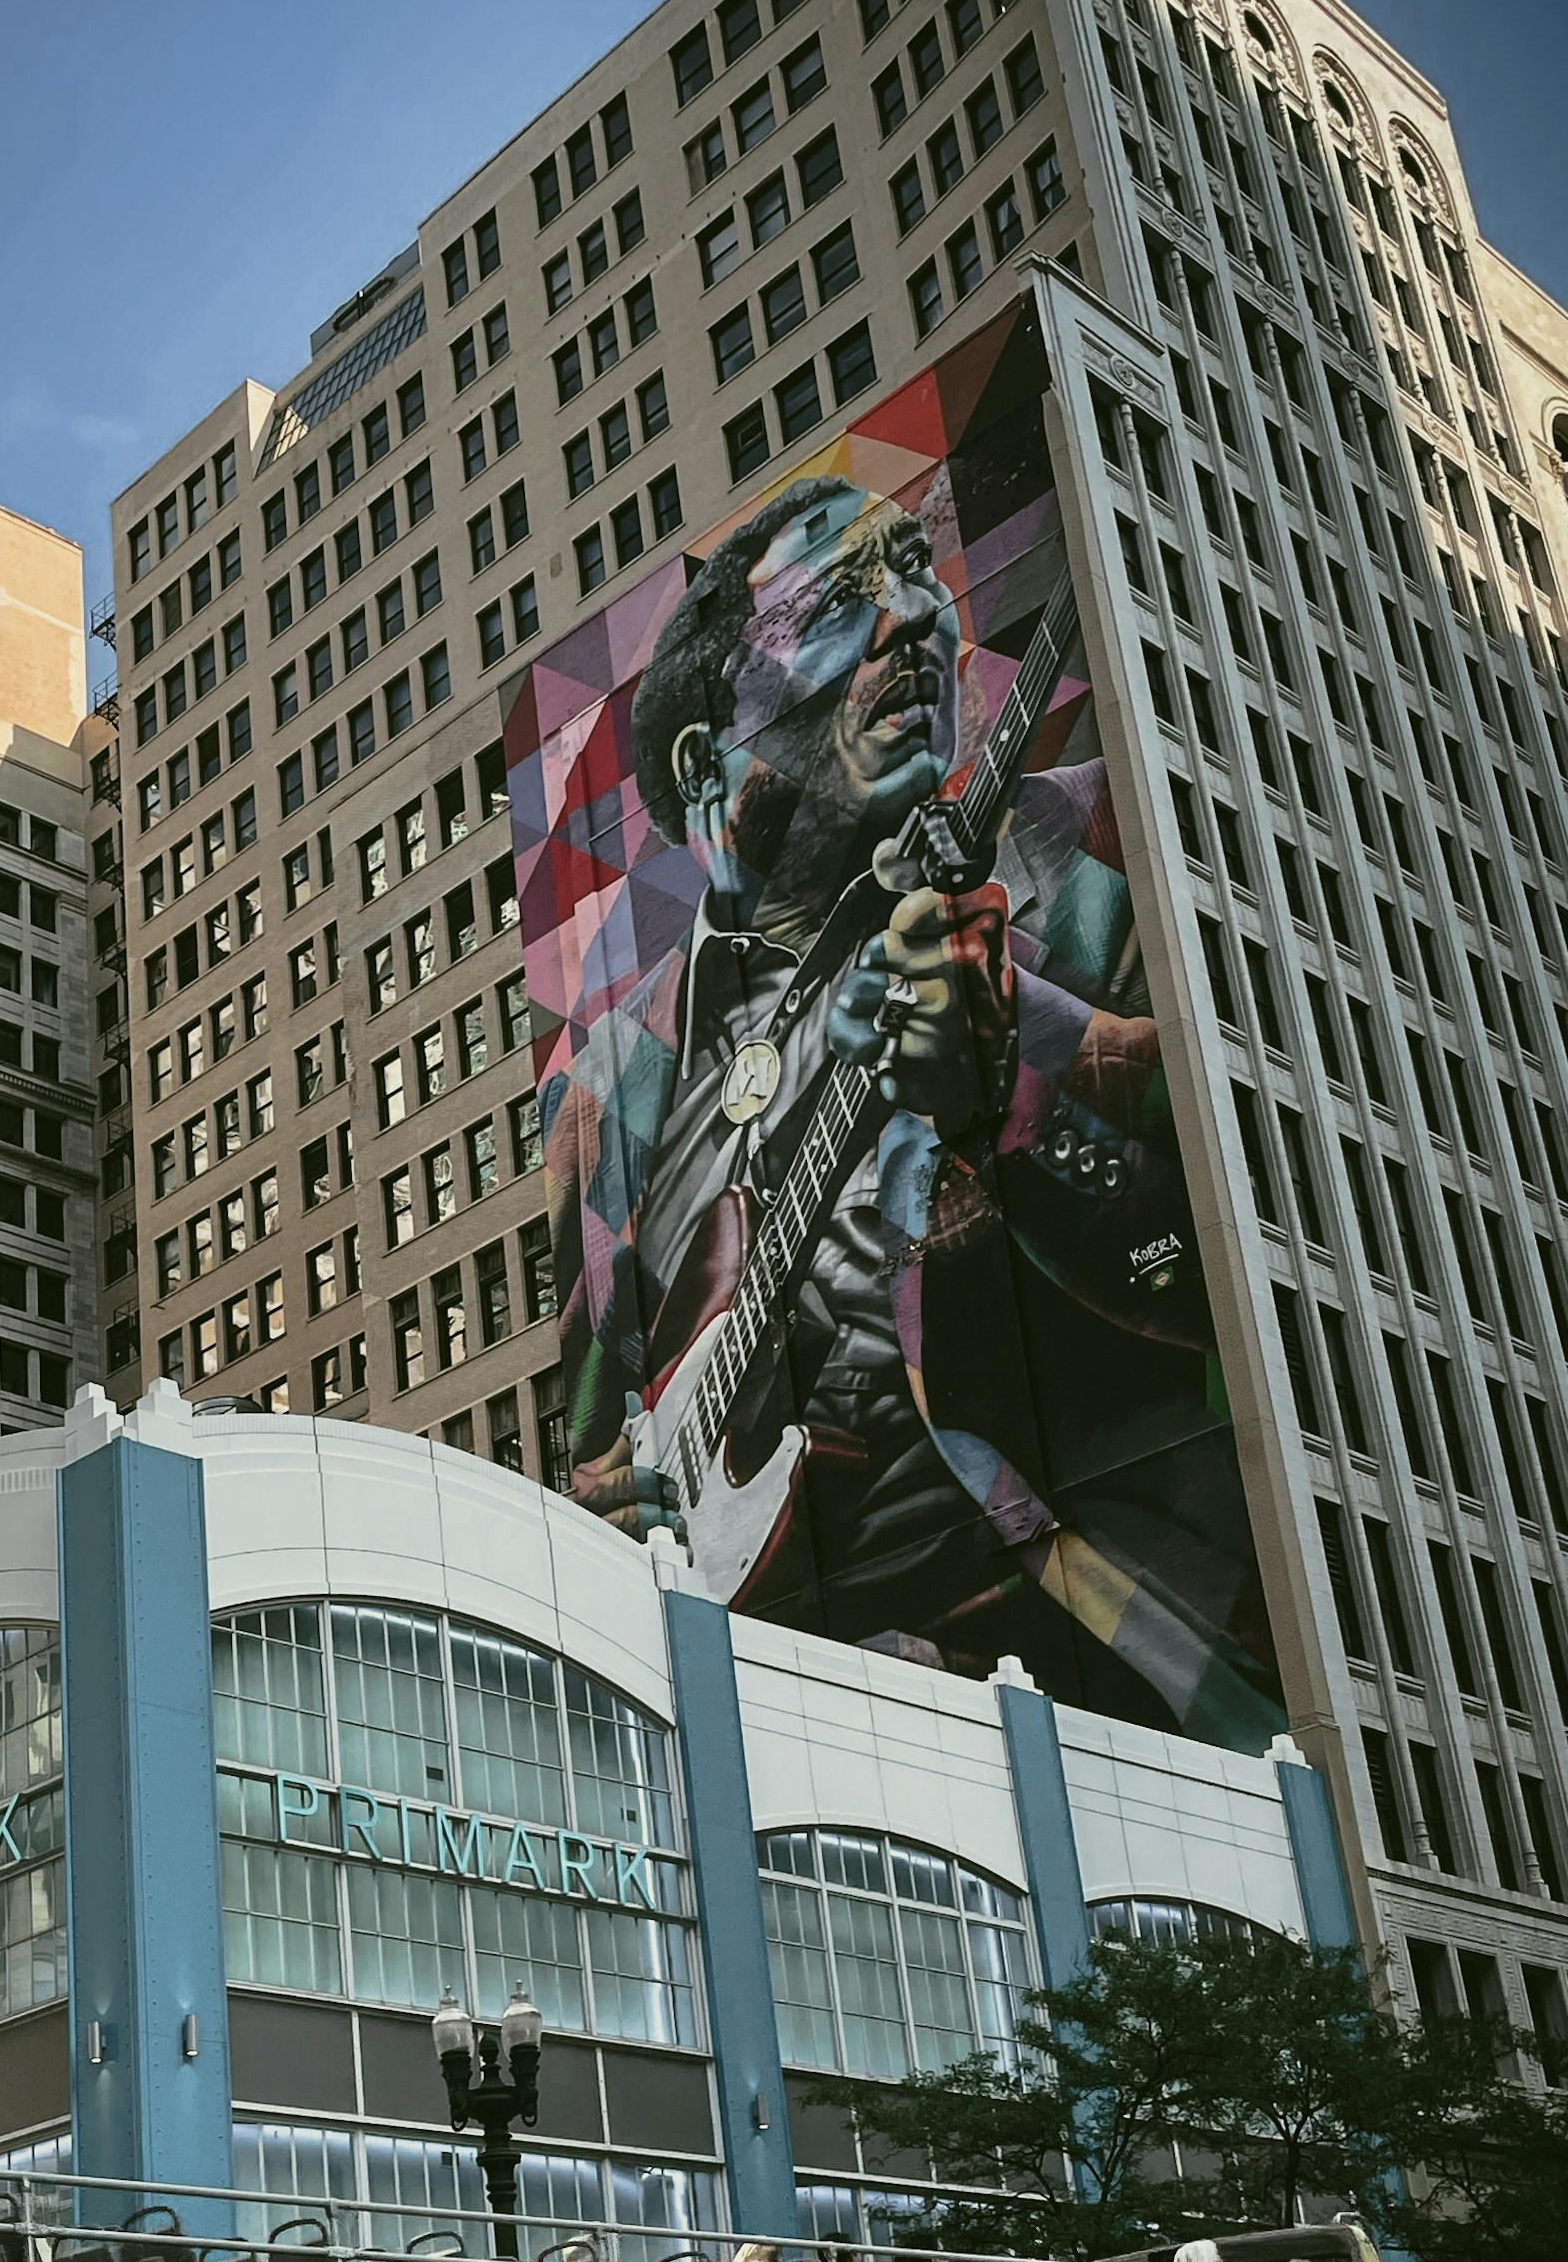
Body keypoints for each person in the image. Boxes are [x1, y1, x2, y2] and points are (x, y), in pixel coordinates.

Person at [545, 467, 1281, 1743]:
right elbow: (592, 1454)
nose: (913, 620)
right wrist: (604, 1524)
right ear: (706, 753)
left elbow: (1260, 1209)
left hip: (1116, 1680)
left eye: (915, 576)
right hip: (768, 1746)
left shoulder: (1083, 845)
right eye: (842, 596)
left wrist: (1010, 1090)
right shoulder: (607, 1092)